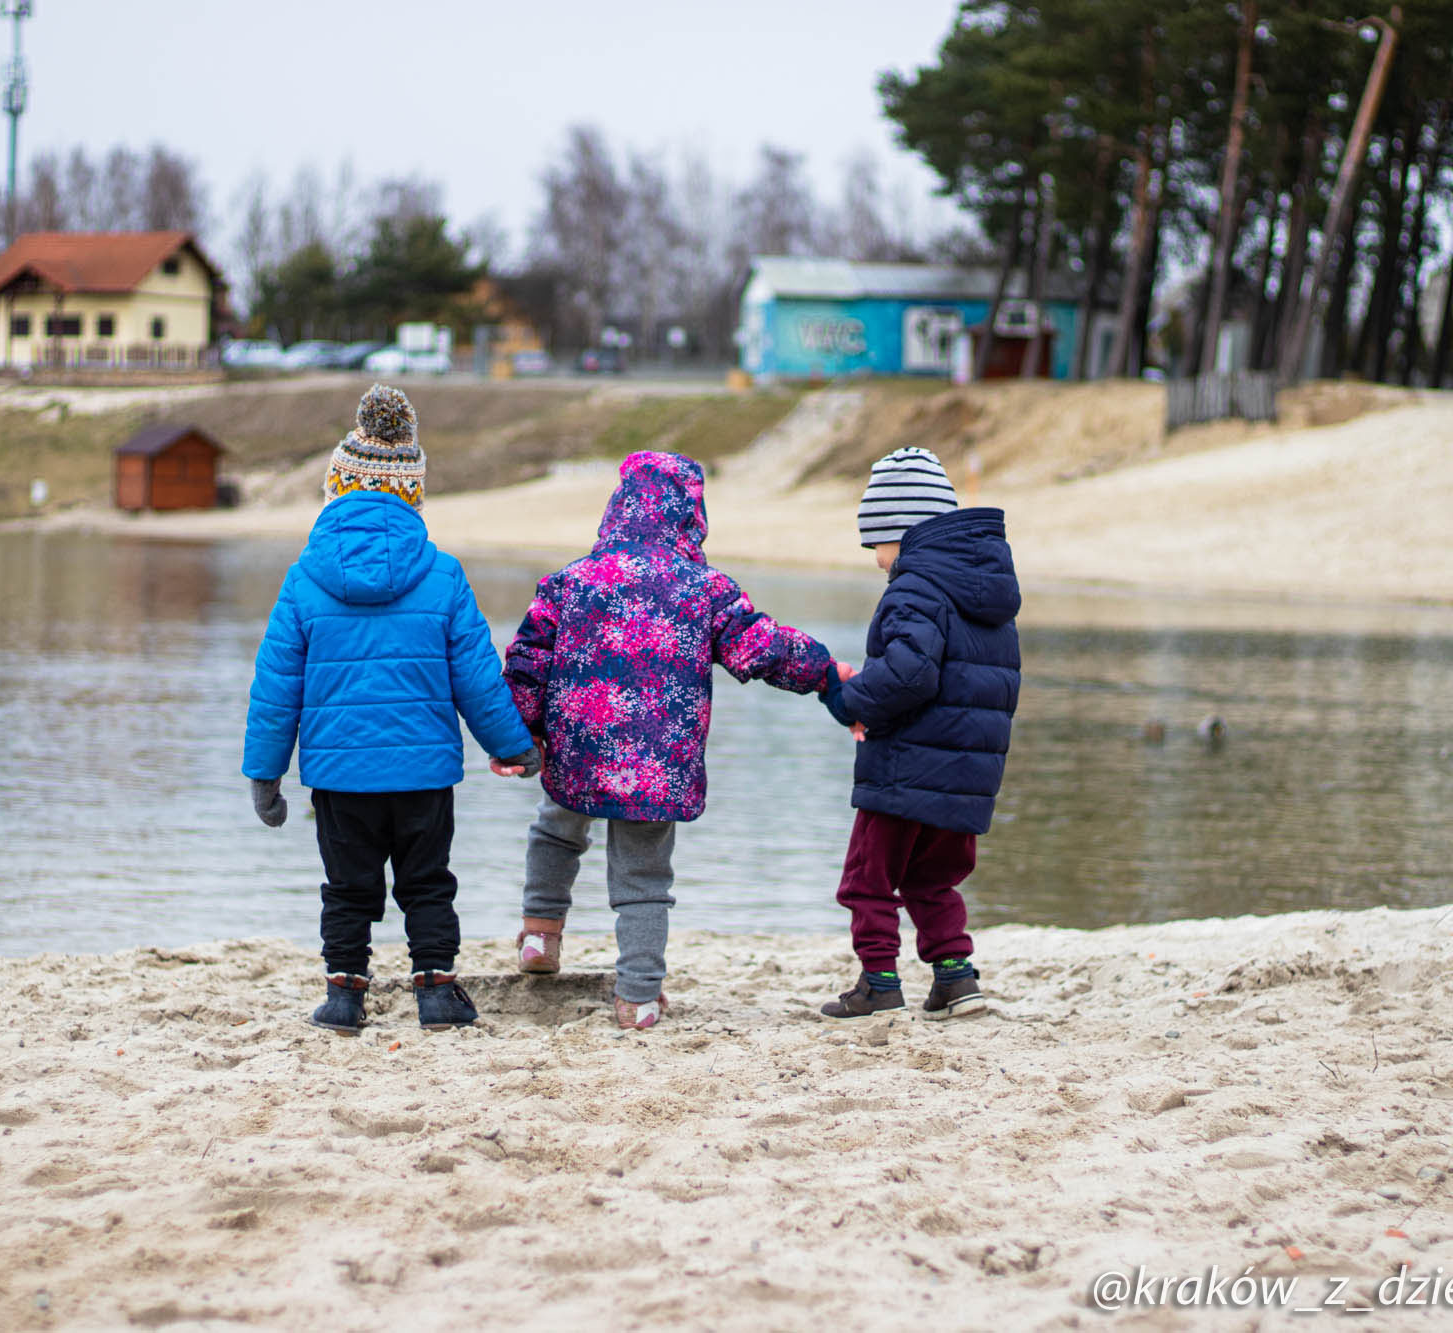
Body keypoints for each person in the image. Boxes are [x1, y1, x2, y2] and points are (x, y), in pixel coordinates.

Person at [503, 451, 844, 1030]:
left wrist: (520, 735)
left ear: (617, 510)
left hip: (577, 748)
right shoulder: (705, 589)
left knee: (556, 827)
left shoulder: (571, 580)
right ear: (692, 515)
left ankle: (540, 935)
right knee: (643, 874)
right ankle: (636, 996)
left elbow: (527, 661)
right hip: (655, 765)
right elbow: (760, 648)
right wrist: (827, 674)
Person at [242, 384, 539, 1034]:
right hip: (424, 774)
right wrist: (512, 745)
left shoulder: (304, 577)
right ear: (413, 493)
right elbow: (477, 678)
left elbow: (276, 685)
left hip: (340, 778)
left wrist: (265, 773)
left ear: (336, 490)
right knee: (428, 882)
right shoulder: (441, 573)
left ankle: (344, 994)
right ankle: (435, 990)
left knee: (347, 887)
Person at [818, 446, 1021, 1021]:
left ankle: (880, 981)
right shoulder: (988, 589)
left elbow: (910, 674)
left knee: (867, 878)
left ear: (902, 532)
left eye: (875, 544)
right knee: (935, 878)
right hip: (968, 772)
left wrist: (850, 699)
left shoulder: (915, 587)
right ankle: (956, 979)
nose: (876, 560)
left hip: (907, 765)